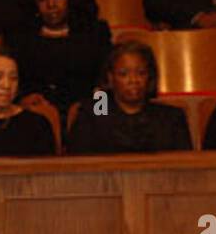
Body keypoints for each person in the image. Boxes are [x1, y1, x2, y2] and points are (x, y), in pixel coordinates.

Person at [9, 0, 112, 131]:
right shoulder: (19, 38)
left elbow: (106, 83)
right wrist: (22, 100)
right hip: (34, 116)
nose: (51, 5)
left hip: (88, 114)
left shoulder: (95, 33)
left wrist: (95, 107)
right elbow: (14, 83)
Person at [64, 41, 192, 154]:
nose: (133, 80)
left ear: (150, 77)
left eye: (141, 73)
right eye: (123, 74)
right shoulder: (92, 115)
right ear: (111, 78)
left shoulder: (171, 118)